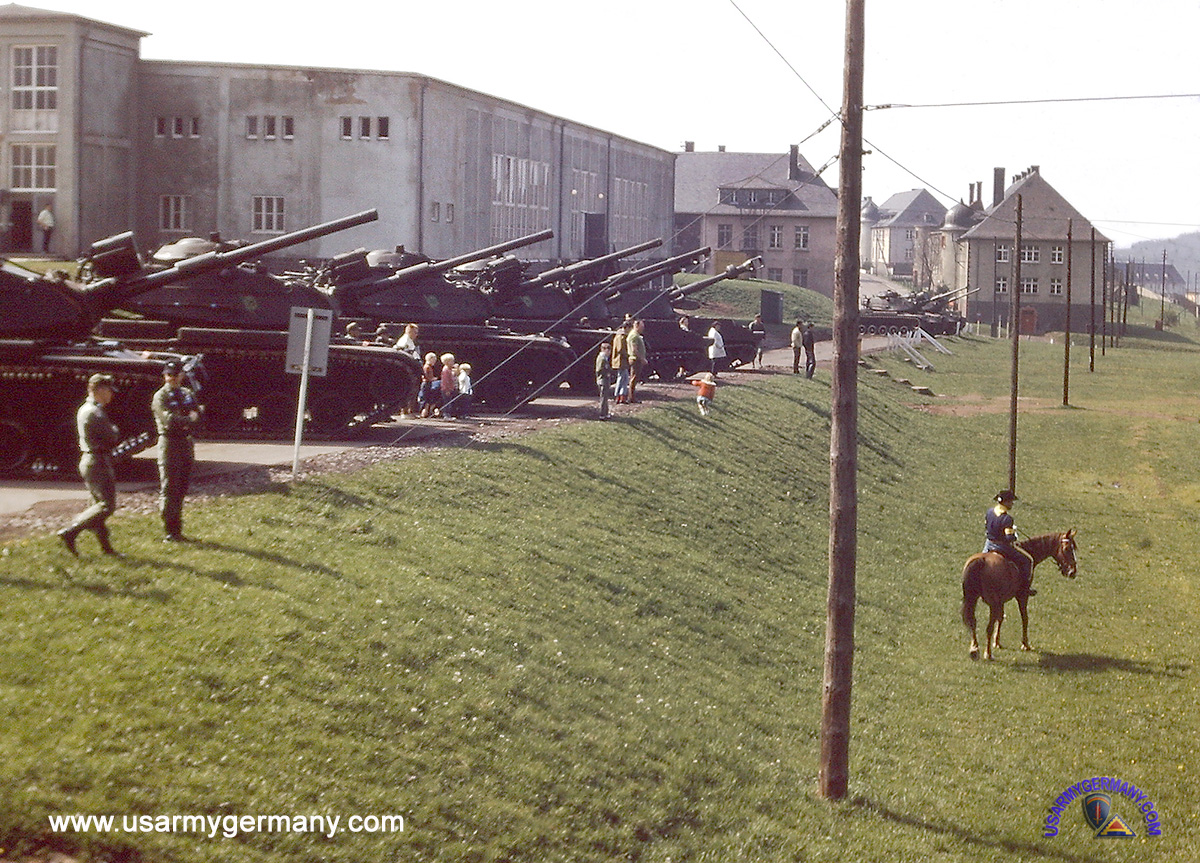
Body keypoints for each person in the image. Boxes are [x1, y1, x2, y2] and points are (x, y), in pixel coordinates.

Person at [57, 374, 121, 556]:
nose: (111, 395)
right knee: (106, 506)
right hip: (98, 461)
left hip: (91, 460)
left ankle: (106, 548)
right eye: (108, 391)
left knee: (97, 506)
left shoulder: (87, 409)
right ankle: (71, 531)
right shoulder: (95, 413)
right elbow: (112, 436)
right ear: (100, 390)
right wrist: (115, 430)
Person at [152, 360, 201, 542]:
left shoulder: (187, 393)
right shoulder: (160, 396)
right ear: (165, 376)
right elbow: (169, 421)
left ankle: (177, 529)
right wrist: (189, 418)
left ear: (181, 375)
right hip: (170, 443)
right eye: (169, 375)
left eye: (175, 374)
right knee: (169, 488)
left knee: (181, 487)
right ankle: (170, 531)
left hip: (185, 444)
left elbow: (199, 414)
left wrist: (189, 418)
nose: (172, 378)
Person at [984, 489, 1036, 596]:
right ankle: (1025, 588)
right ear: (1006, 502)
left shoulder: (989, 512)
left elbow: (987, 527)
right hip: (1001, 546)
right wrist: (1014, 534)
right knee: (1027, 560)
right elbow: (1009, 538)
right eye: (1011, 501)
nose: (1012, 503)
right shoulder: (1007, 519)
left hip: (988, 544)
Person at [393, 324, 421, 417]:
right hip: (406, 370)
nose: (416, 334)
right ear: (409, 331)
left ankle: (409, 411)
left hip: (411, 369)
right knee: (406, 389)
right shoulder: (404, 341)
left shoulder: (410, 341)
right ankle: (404, 412)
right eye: (415, 332)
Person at [627, 319, 647, 403]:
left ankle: (631, 396)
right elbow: (634, 349)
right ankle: (631, 397)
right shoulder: (634, 336)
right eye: (642, 326)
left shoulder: (635, 335)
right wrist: (642, 358)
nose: (643, 328)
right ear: (637, 326)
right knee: (634, 378)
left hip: (636, 359)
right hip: (635, 359)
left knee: (634, 378)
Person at [612, 321, 631, 405]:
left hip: (622, 361)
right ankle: (618, 396)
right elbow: (620, 349)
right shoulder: (621, 337)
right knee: (621, 379)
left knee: (624, 379)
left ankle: (622, 396)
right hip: (621, 361)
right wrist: (628, 355)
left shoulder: (619, 335)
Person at [419, 352, 441, 418]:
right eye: (434, 359)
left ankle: (427, 412)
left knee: (428, 398)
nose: (435, 361)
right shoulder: (426, 367)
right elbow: (426, 376)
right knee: (424, 398)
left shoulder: (429, 367)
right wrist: (433, 379)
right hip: (426, 383)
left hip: (429, 383)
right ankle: (422, 412)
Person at [595, 341, 612, 420]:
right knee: (603, 398)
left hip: (604, 380)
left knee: (605, 398)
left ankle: (606, 413)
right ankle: (602, 414)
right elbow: (599, 369)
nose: (609, 352)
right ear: (604, 350)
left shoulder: (604, 358)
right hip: (603, 380)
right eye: (608, 350)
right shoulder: (602, 359)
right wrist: (606, 373)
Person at [438, 353, 457, 417]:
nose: (453, 362)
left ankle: (448, 414)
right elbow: (445, 381)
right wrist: (447, 390)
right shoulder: (446, 370)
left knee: (449, 402)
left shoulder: (449, 369)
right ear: (447, 362)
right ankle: (446, 415)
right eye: (452, 361)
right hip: (446, 389)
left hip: (450, 388)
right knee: (447, 402)